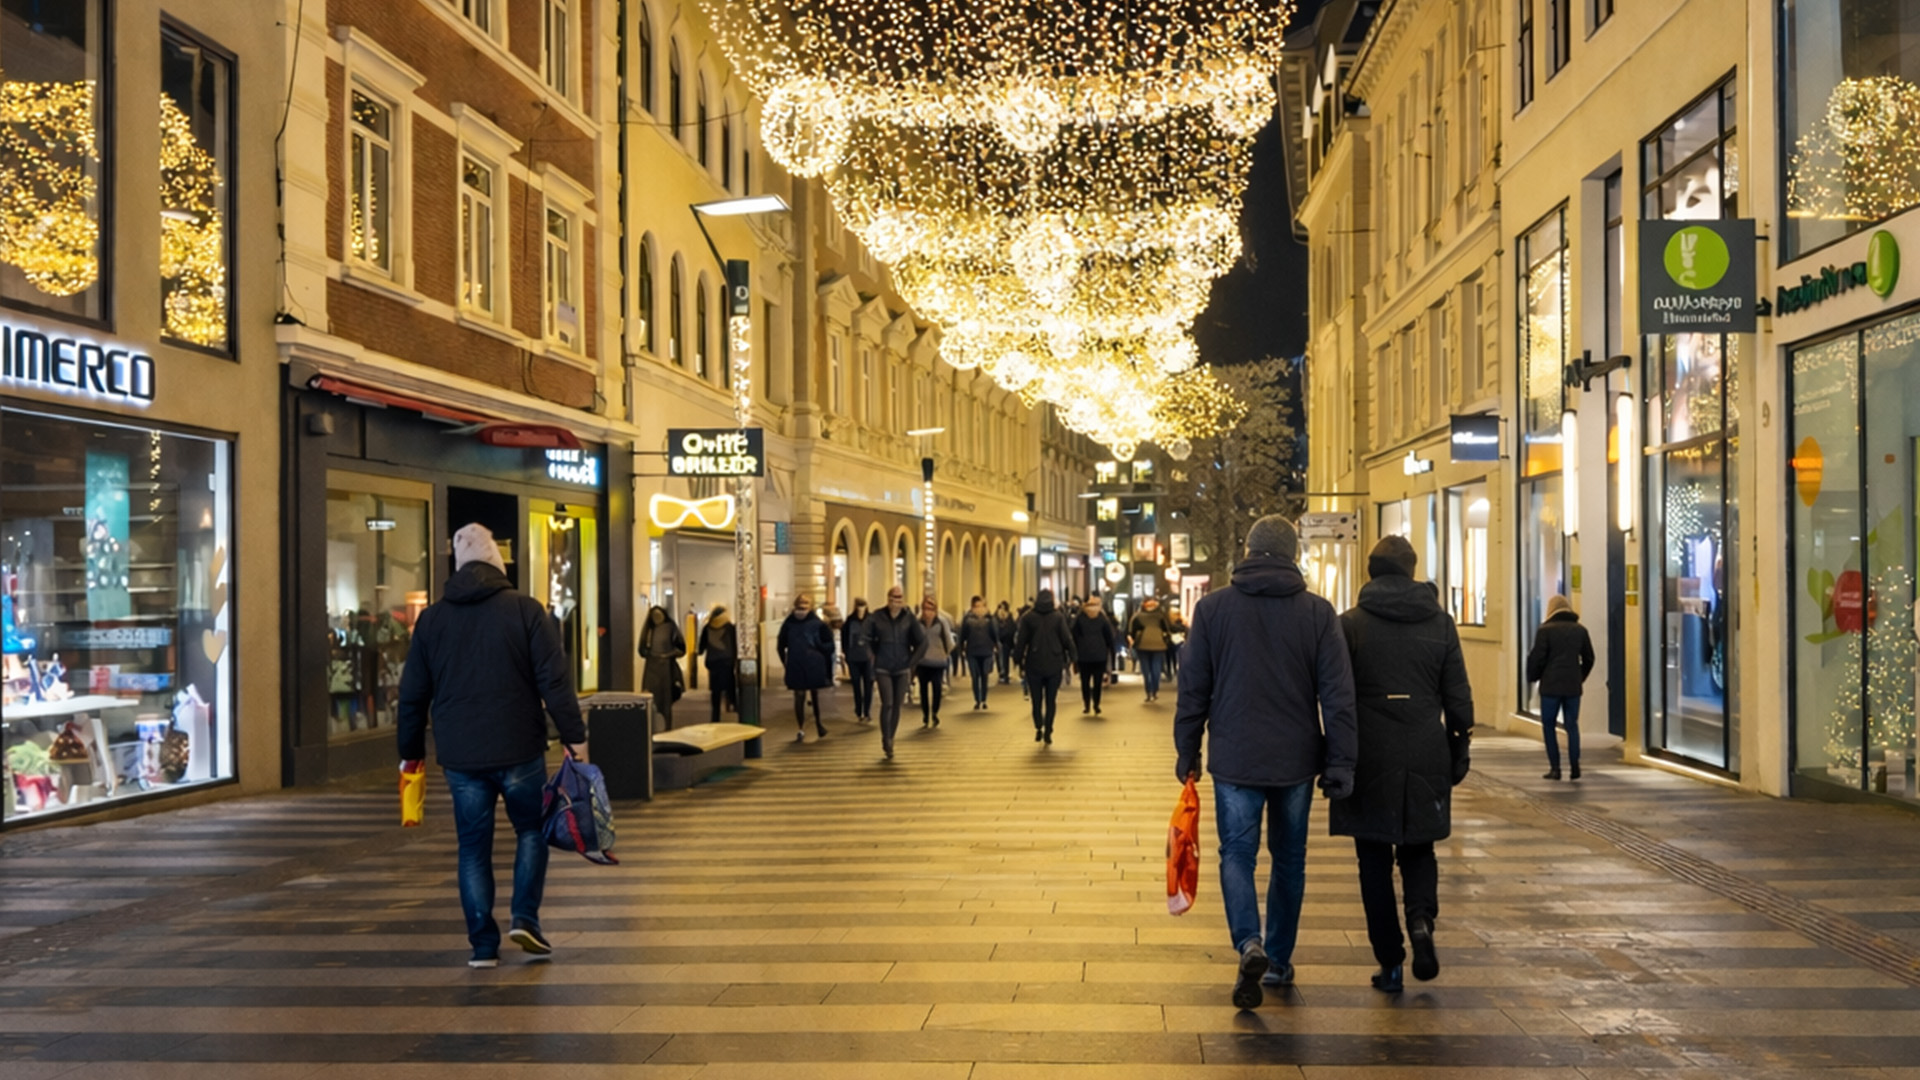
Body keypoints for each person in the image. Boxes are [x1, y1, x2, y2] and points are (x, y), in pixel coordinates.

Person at [1174, 514, 1358, 1011]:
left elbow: (1194, 689)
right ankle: (1276, 958)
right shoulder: (1318, 613)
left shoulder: (1212, 611)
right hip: (1296, 758)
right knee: (1289, 859)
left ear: (1249, 551)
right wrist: (1341, 761)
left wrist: (1186, 749)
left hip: (1234, 756)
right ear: (1294, 554)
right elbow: (1338, 694)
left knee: (1236, 855)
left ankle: (1247, 942)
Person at [397, 524, 586, 969]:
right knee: (532, 830)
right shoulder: (525, 610)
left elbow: (412, 694)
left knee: (472, 847)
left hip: (461, 755)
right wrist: (574, 737)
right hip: (519, 745)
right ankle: (525, 918)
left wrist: (410, 752)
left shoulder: (433, 620)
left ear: (458, 565)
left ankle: (483, 945)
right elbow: (553, 680)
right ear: (499, 564)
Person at [1329, 536, 1474, 993]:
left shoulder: (1349, 624)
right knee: (1420, 849)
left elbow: (1337, 698)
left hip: (1369, 754)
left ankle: (1390, 962)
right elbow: (1459, 696)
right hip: (1425, 747)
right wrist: (1459, 743)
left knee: (1371, 859)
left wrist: (1335, 753)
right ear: (1411, 572)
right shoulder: (1442, 623)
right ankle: (1421, 921)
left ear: (1371, 572)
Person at [1526, 594, 1594, 780]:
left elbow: (1537, 658)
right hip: (1573, 686)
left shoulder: (1545, 630)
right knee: (1572, 726)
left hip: (1550, 686)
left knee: (1548, 726)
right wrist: (1580, 677)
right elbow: (1589, 658)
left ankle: (1555, 768)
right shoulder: (1580, 630)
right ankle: (1574, 766)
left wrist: (1533, 676)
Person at [865, 586, 925, 759]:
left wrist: (912, 662)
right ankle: (886, 737)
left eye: (899, 598)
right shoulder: (877, 616)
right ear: (888, 598)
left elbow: (922, 642)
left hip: (902, 667)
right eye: (893, 598)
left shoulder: (909, 618)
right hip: (883, 666)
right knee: (888, 703)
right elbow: (864, 638)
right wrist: (872, 657)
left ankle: (891, 737)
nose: (895, 602)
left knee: (897, 704)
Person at [1013, 588, 1076, 744]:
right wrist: (1073, 657)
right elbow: (1066, 638)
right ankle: (1048, 729)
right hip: (1054, 663)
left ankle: (1038, 725)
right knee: (1051, 700)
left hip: (1033, 663)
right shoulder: (1058, 617)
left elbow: (1021, 641)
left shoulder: (1028, 618)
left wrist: (1017, 659)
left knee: (1036, 699)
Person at [777, 594, 834, 742]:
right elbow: (781, 645)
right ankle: (805, 726)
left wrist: (786, 662)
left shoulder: (792, 623)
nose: (802, 607)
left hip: (807, 664)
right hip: (803, 664)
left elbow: (829, 645)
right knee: (802, 695)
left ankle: (812, 725)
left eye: (805, 603)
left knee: (807, 695)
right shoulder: (815, 623)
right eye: (800, 603)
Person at [639, 604, 686, 730]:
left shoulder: (670, 628)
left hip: (666, 669)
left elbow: (681, 648)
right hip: (653, 669)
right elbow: (642, 649)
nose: (657, 618)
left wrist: (668, 655)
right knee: (652, 699)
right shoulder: (649, 629)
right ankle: (652, 726)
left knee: (665, 700)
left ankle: (666, 727)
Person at [1072, 594, 1119, 715]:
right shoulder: (1102, 618)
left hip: (1083, 655)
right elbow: (1109, 637)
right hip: (1100, 655)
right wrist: (1112, 652)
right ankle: (1096, 704)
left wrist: (1075, 652)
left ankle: (1086, 704)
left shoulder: (1080, 618)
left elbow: (1074, 635)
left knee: (1085, 681)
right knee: (1098, 682)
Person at [915, 597, 954, 727]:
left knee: (937, 688)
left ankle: (935, 712)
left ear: (935, 610)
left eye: (930, 609)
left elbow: (948, 640)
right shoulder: (917, 622)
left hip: (938, 661)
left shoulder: (941, 622)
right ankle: (925, 715)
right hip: (922, 662)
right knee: (923, 690)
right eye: (925, 609)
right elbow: (913, 640)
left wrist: (945, 654)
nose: (928, 612)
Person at [1129, 596, 1175, 703]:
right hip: (1159, 645)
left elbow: (1131, 632)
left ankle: (1148, 691)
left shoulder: (1138, 616)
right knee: (1156, 668)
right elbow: (1167, 630)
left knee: (1146, 670)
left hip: (1142, 645)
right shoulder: (1161, 616)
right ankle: (1154, 690)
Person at [698, 605, 738, 724]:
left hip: (713, 662)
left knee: (715, 691)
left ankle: (715, 717)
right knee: (730, 687)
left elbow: (701, 648)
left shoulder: (707, 628)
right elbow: (735, 644)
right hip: (727, 662)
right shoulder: (730, 628)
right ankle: (735, 709)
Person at [959, 598, 998, 709]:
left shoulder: (990, 619)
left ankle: (984, 699)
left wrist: (995, 646)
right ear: (972, 607)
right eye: (977, 606)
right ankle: (977, 699)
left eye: (982, 606)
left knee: (984, 676)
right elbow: (963, 635)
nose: (979, 609)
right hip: (972, 651)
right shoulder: (967, 620)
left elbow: (994, 634)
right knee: (975, 676)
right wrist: (961, 648)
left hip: (986, 651)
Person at [841, 598, 876, 723]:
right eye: (859, 606)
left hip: (868, 658)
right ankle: (858, 709)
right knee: (856, 684)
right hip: (854, 657)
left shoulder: (872, 620)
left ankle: (867, 711)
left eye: (863, 605)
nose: (861, 608)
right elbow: (844, 638)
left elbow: (876, 638)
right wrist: (846, 653)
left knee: (868, 684)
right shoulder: (850, 621)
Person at [993, 601, 1017, 684]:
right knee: (998, 658)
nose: (1002, 609)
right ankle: (1001, 673)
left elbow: (1013, 628)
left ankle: (1005, 674)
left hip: (1006, 641)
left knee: (1005, 658)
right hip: (998, 640)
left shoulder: (1009, 617)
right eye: (1000, 607)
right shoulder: (996, 617)